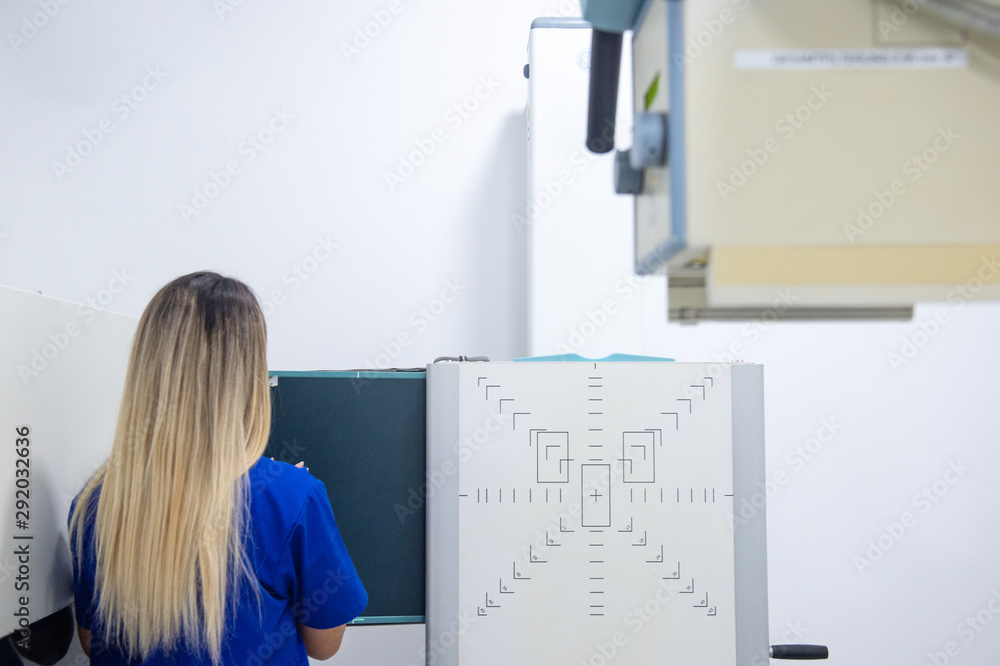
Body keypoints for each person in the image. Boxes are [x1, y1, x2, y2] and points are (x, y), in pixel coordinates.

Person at [68, 272, 367, 664]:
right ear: (247, 374)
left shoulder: (96, 502)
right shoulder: (294, 498)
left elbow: (93, 641)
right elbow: (324, 645)